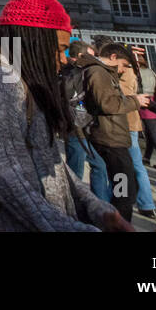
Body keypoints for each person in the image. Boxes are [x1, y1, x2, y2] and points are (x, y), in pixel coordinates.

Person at [0, 0, 131, 232]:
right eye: (60, 48)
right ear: (34, 41)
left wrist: (98, 209)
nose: (64, 58)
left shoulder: (19, 79)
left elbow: (48, 159)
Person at [82, 41, 149, 222]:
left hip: (115, 139)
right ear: (113, 58)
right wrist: (135, 101)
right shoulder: (98, 73)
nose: (124, 70)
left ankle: (115, 218)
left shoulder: (104, 73)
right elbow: (108, 103)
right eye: (124, 65)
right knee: (124, 193)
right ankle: (117, 223)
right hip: (110, 141)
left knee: (125, 190)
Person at [110, 44, 156, 219]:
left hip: (121, 123)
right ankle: (147, 204)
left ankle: (120, 201)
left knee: (119, 166)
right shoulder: (133, 70)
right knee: (135, 165)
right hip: (131, 121)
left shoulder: (122, 71)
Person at [62, 40, 109, 200]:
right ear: (81, 55)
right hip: (76, 128)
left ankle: (101, 204)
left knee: (99, 166)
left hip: (89, 127)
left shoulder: (87, 71)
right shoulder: (70, 72)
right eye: (91, 56)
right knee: (76, 171)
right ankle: (76, 204)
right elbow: (71, 96)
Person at [134, 49, 156, 172]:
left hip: (146, 103)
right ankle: (147, 157)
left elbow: (138, 88)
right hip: (155, 103)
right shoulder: (152, 72)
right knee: (150, 133)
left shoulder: (139, 73)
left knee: (153, 133)